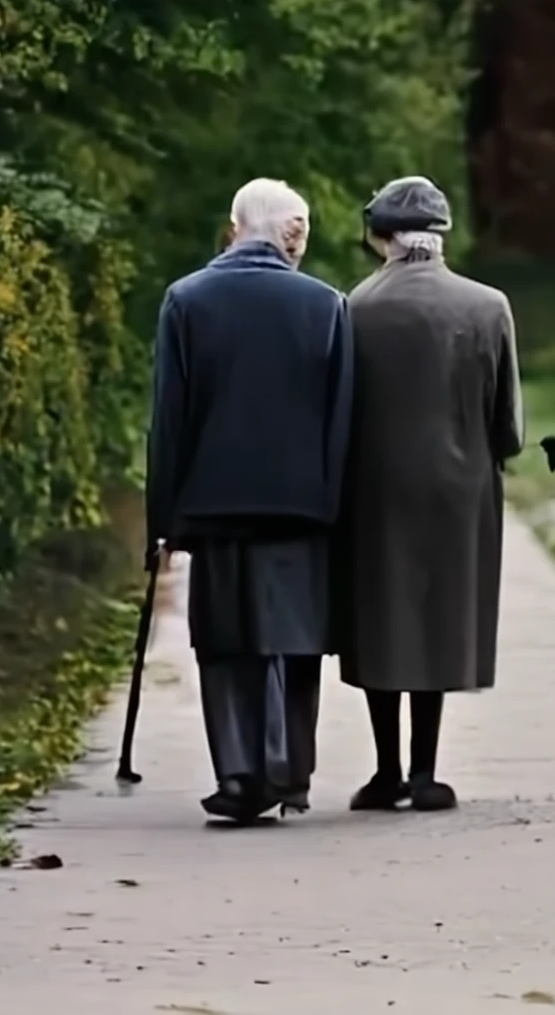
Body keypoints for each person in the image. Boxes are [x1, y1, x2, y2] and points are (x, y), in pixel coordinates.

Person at [147, 178, 353, 824]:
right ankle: (290, 775)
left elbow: (169, 421)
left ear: (234, 227)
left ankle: (238, 776)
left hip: (213, 504)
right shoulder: (326, 305)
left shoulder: (187, 300)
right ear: (293, 236)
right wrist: (338, 507)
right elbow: (341, 419)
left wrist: (162, 522)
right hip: (301, 510)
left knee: (225, 641)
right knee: (293, 640)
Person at [336, 175, 524, 813]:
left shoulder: (353, 306)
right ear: (440, 234)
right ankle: (426, 771)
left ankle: (385, 770)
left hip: (374, 486)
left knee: (382, 618)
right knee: (440, 618)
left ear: (381, 236)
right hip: (458, 486)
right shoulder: (488, 306)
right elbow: (509, 426)